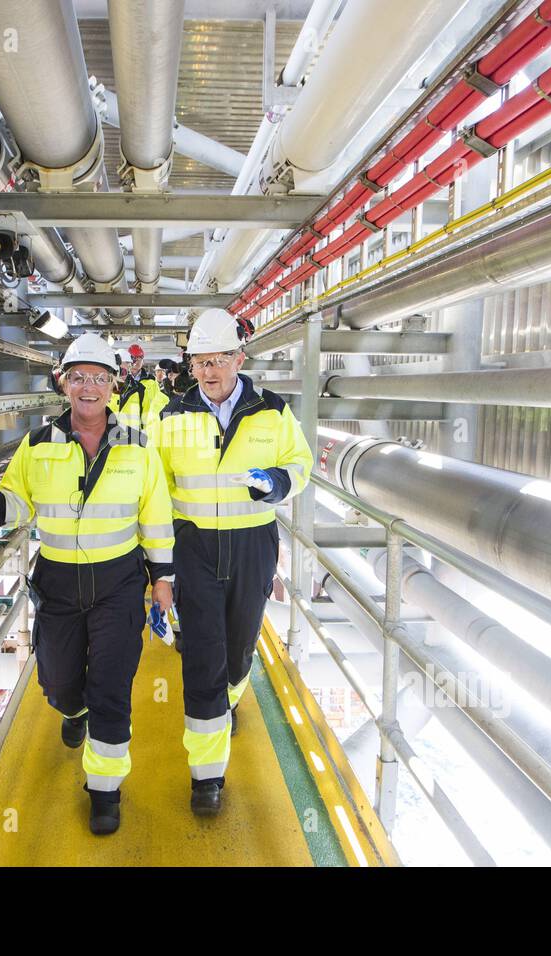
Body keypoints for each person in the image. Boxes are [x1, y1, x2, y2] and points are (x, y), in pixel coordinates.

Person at [0, 332, 174, 836]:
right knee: (59, 682)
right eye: (78, 377)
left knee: (112, 687)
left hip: (118, 581)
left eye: (98, 377)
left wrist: (162, 579)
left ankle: (105, 788)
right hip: (59, 581)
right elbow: (19, 499)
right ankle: (74, 707)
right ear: (63, 384)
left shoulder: (139, 448)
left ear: (114, 385)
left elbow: (155, 516)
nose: (88, 387)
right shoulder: (37, 444)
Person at [155, 309, 312, 817]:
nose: (210, 370)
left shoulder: (272, 411)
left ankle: (231, 696)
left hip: (251, 544)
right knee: (203, 654)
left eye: (220, 359)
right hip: (194, 546)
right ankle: (207, 777)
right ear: (192, 364)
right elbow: (155, 490)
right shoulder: (172, 418)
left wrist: (279, 482)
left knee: (241, 649)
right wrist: (156, 565)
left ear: (239, 359)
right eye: (201, 361)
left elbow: (300, 462)